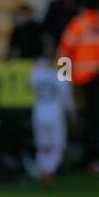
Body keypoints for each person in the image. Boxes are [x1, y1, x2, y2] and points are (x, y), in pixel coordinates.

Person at [57, 0, 99, 171]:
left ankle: (84, 159)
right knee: (96, 122)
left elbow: (65, 50)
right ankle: (95, 159)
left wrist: (62, 79)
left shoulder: (79, 23)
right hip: (98, 79)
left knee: (80, 121)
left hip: (79, 81)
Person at [30, 54, 75, 187]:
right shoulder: (61, 70)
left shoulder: (37, 73)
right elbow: (67, 95)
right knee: (57, 146)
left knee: (43, 146)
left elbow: (34, 72)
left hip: (39, 112)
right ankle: (48, 170)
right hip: (55, 113)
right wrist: (72, 114)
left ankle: (42, 169)